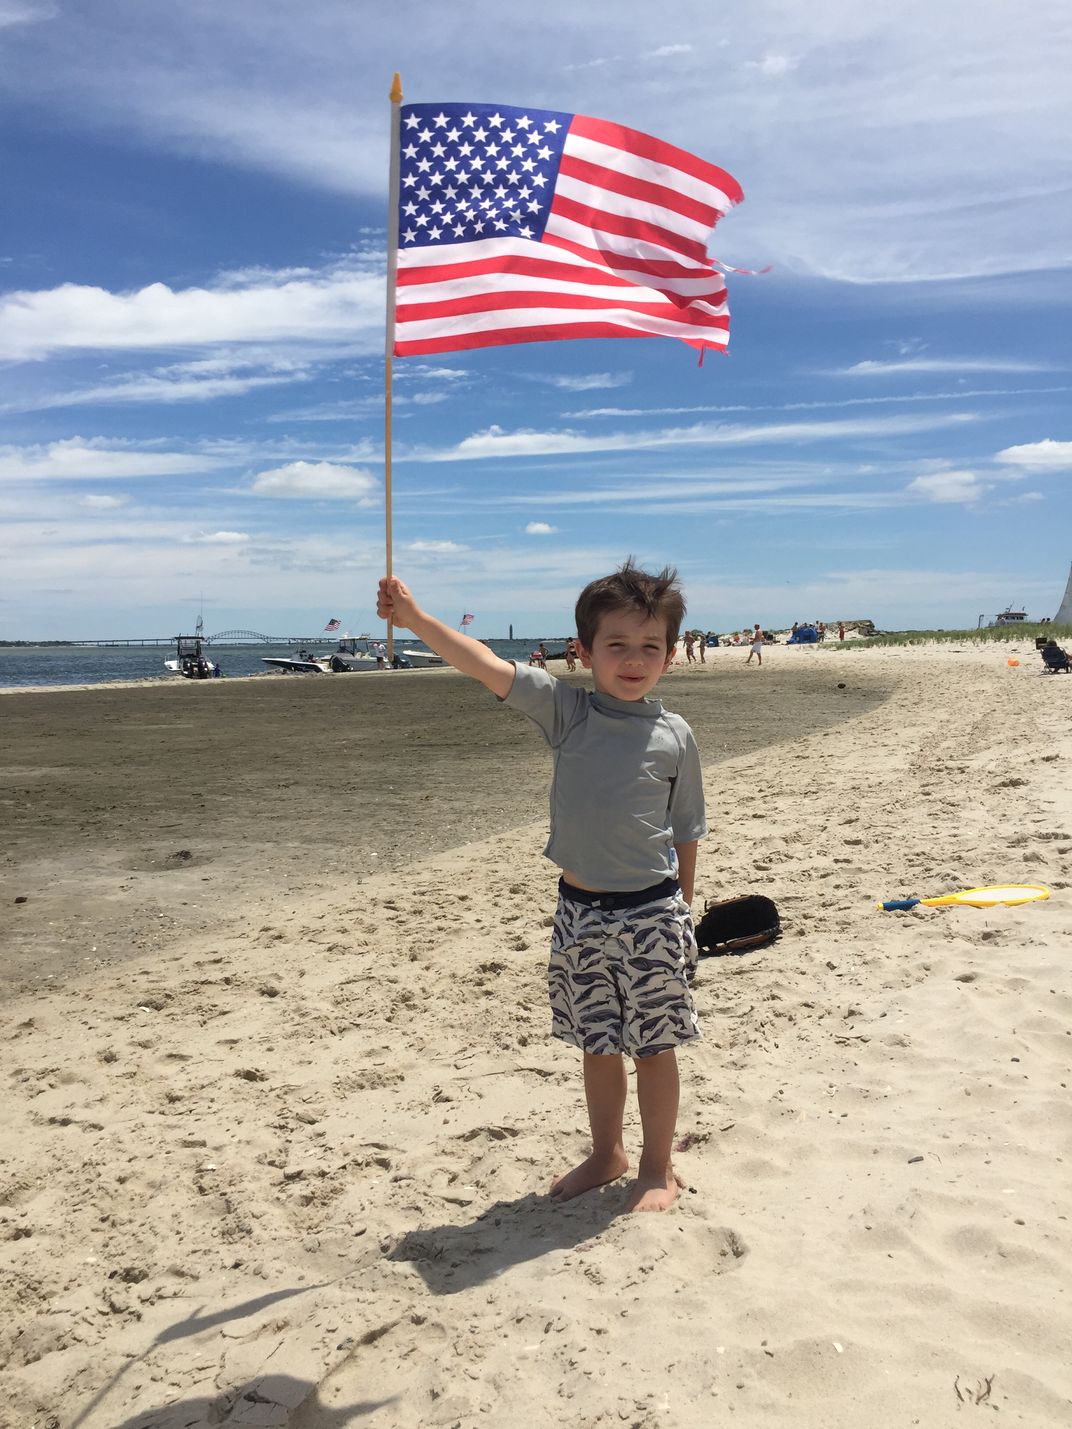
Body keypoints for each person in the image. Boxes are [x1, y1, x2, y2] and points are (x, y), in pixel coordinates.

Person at [377, 562, 706, 1213]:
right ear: (582, 652)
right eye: (616, 645)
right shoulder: (567, 711)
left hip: (652, 914)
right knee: (598, 1044)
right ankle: (608, 1150)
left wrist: (684, 912)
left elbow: (687, 828)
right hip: (579, 915)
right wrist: (414, 620)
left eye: (650, 647)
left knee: (655, 1047)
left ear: (670, 655)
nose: (633, 660)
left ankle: (656, 1167)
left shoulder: (675, 735)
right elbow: (482, 664)